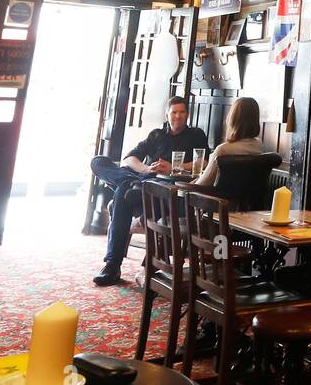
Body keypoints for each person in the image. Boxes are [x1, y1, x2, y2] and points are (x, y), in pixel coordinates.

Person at [90, 96, 208, 287]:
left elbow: (204, 162)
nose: (178, 116)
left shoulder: (196, 135)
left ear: (187, 114)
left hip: (166, 188)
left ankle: (112, 266)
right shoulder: (156, 135)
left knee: (122, 193)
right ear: (167, 115)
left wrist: (173, 167)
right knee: (98, 161)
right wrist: (146, 169)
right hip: (144, 178)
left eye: (182, 112)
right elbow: (129, 158)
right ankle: (131, 183)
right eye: (174, 112)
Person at [193, 96, 265, 187]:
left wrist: (188, 185)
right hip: (250, 199)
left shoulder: (223, 150)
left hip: (217, 200)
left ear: (232, 119)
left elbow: (202, 184)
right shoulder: (259, 145)